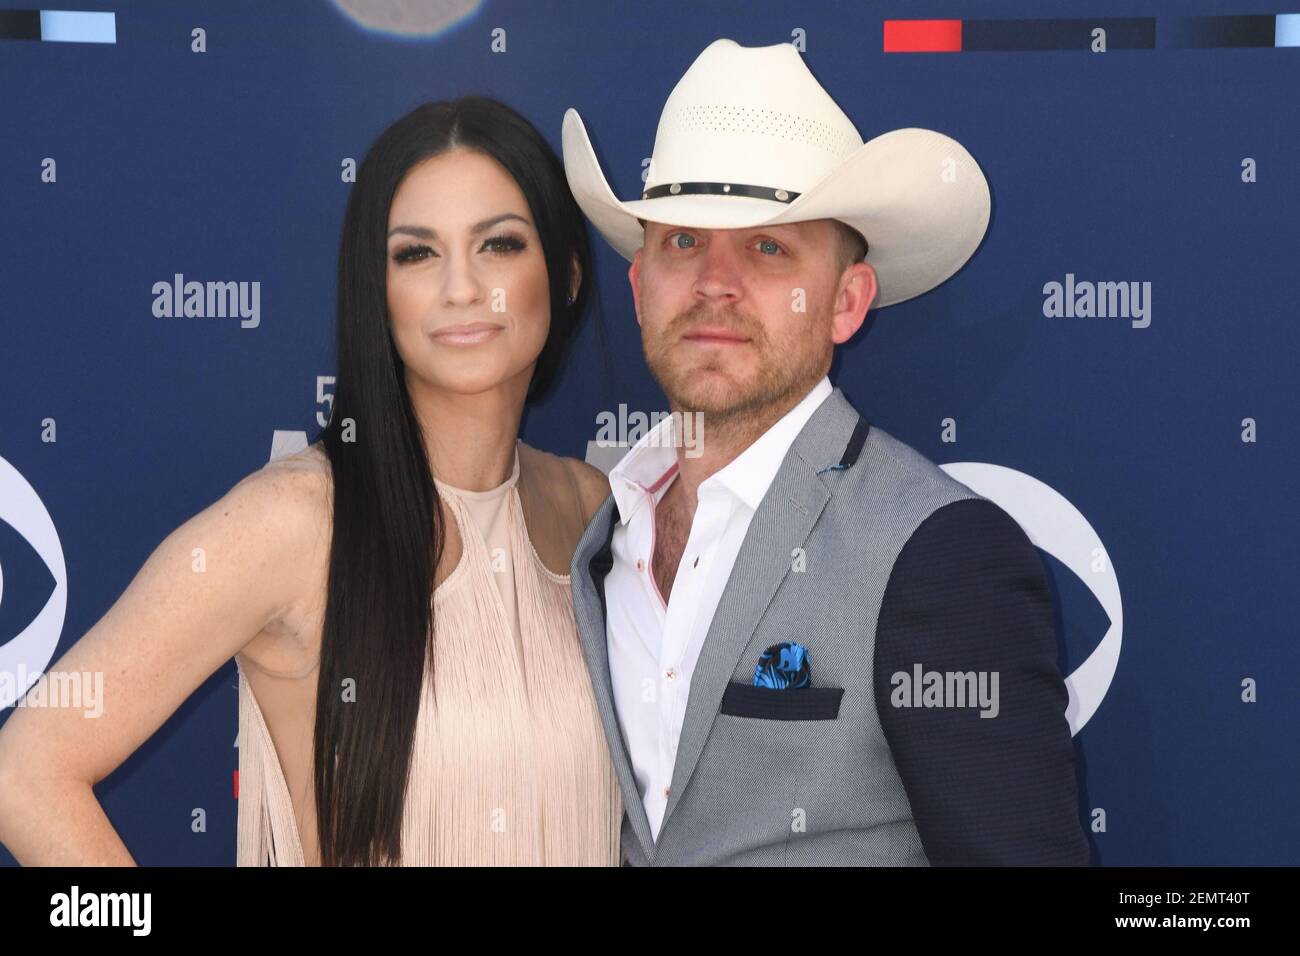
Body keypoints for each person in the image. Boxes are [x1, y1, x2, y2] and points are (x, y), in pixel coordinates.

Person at [0, 96, 621, 866]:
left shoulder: (591, 505)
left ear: (563, 277)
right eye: (416, 253)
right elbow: (22, 774)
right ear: (376, 290)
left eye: (498, 244)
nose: (462, 287)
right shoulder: (295, 521)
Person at [564, 39, 1091, 865]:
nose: (714, 282)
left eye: (769, 248)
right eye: (682, 242)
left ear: (847, 302)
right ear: (639, 287)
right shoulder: (597, 539)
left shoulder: (940, 553)